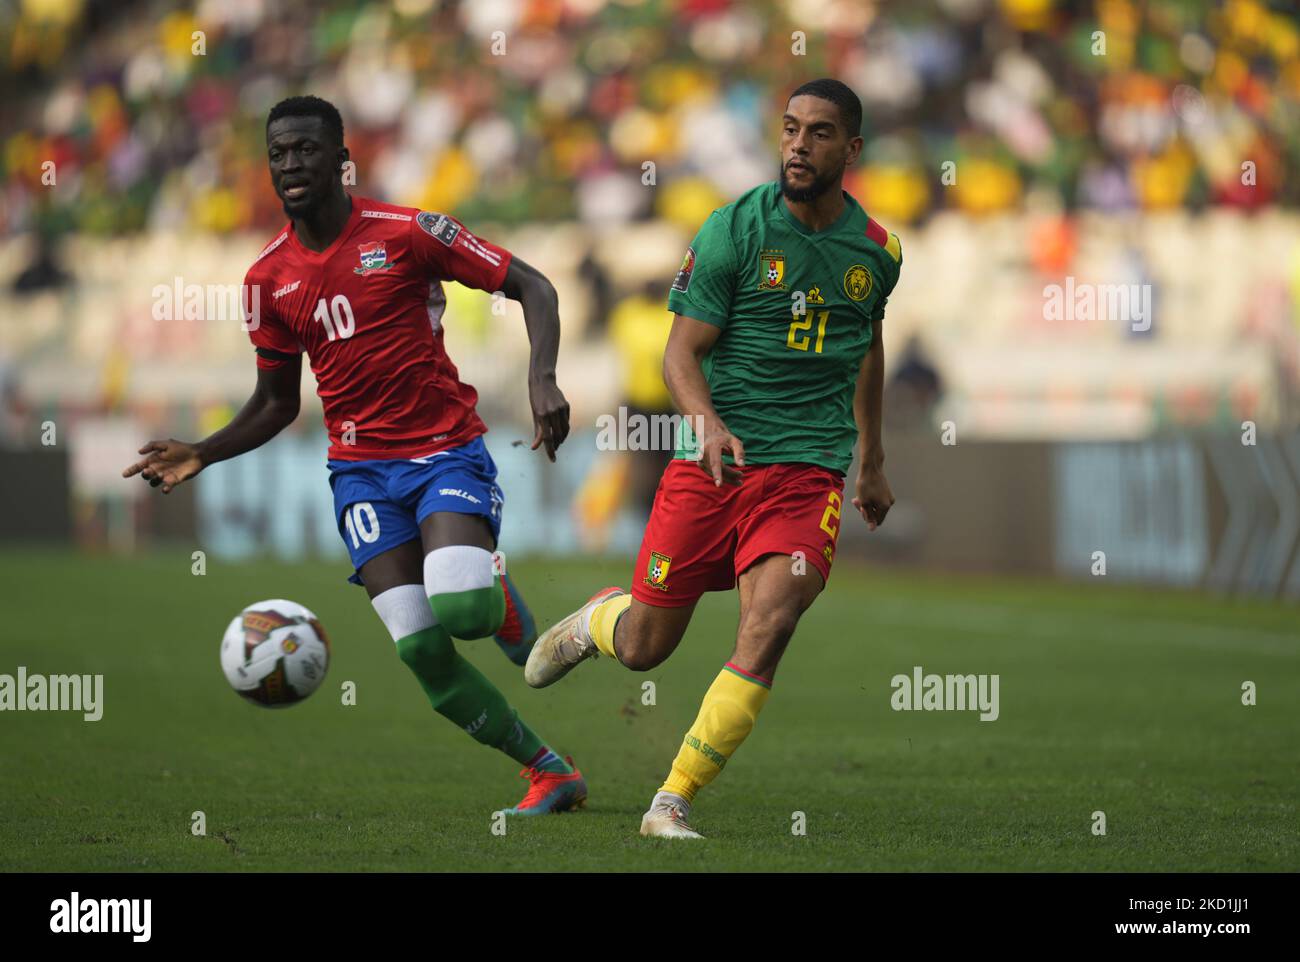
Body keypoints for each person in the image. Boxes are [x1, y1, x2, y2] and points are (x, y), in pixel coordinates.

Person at [123, 96, 586, 816]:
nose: (290, 164)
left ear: (342, 160)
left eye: (306, 149)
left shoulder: (407, 233)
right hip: (359, 474)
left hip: (442, 451)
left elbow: (534, 285)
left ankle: (487, 581)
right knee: (420, 653)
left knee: (462, 606)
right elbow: (278, 402)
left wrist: (542, 379)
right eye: (278, 153)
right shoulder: (266, 280)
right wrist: (203, 452)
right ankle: (550, 772)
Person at [525, 79, 902, 838]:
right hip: (714, 468)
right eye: (791, 129)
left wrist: (871, 458)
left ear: (851, 149)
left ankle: (672, 799)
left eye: (820, 133)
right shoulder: (735, 230)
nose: (798, 144)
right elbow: (679, 354)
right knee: (645, 649)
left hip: (806, 475)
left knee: (771, 622)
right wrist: (706, 423)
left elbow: (867, 345)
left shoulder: (878, 253)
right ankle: (599, 622)